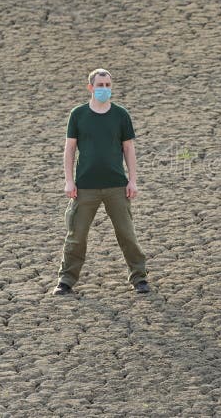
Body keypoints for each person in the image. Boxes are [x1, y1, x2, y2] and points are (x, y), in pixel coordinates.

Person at [53, 68, 149, 295]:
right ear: (90, 87)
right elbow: (69, 149)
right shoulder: (78, 115)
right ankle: (65, 281)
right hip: (85, 187)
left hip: (116, 185)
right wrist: (69, 181)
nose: (104, 89)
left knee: (127, 234)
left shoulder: (120, 115)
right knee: (76, 236)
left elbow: (129, 149)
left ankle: (139, 278)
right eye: (100, 85)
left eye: (107, 85)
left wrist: (132, 180)